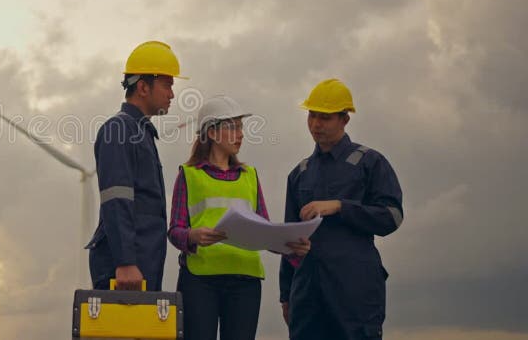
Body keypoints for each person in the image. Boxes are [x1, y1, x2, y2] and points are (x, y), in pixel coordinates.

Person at [168, 95, 310, 340]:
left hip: (245, 281)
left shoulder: (250, 176)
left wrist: (291, 246)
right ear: (212, 133)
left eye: (241, 127)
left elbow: (265, 230)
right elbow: (174, 230)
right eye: (233, 127)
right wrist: (192, 235)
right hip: (201, 281)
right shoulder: (189, 175)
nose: (241, 134)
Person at [279, 78, 404, 340]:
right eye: (312, 115)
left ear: (345, 119)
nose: (316, 124)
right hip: (307, 296)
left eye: (325, 117)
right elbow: (289, 239)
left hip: (355, 291)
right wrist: (286, 295)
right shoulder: (299, 174)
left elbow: (391, 217)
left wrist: (340, 207)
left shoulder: (370, 162)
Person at [86, 40, 185, 291]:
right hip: (125, 268)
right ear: (142, 87)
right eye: (167, 85)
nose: (171, 95)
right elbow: (116, 198)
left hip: (143, 260)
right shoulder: (119, 129)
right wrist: (125, 261)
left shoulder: (140, 132)